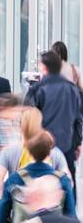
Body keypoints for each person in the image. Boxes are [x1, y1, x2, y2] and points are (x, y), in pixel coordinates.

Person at [0, 132, 77, 223]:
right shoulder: (62, 180)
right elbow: (71, 216)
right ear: (50, 152)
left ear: (29, 152)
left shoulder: (14, 179)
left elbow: (1, 218)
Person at [26, 50, 83, 178]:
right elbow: (78, 119)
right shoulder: (72, 89)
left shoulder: (37, 89)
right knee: (67, 182)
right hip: (67, 146)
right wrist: (78, 143)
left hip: (41, 148)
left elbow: (28, 118)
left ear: (44, 67)